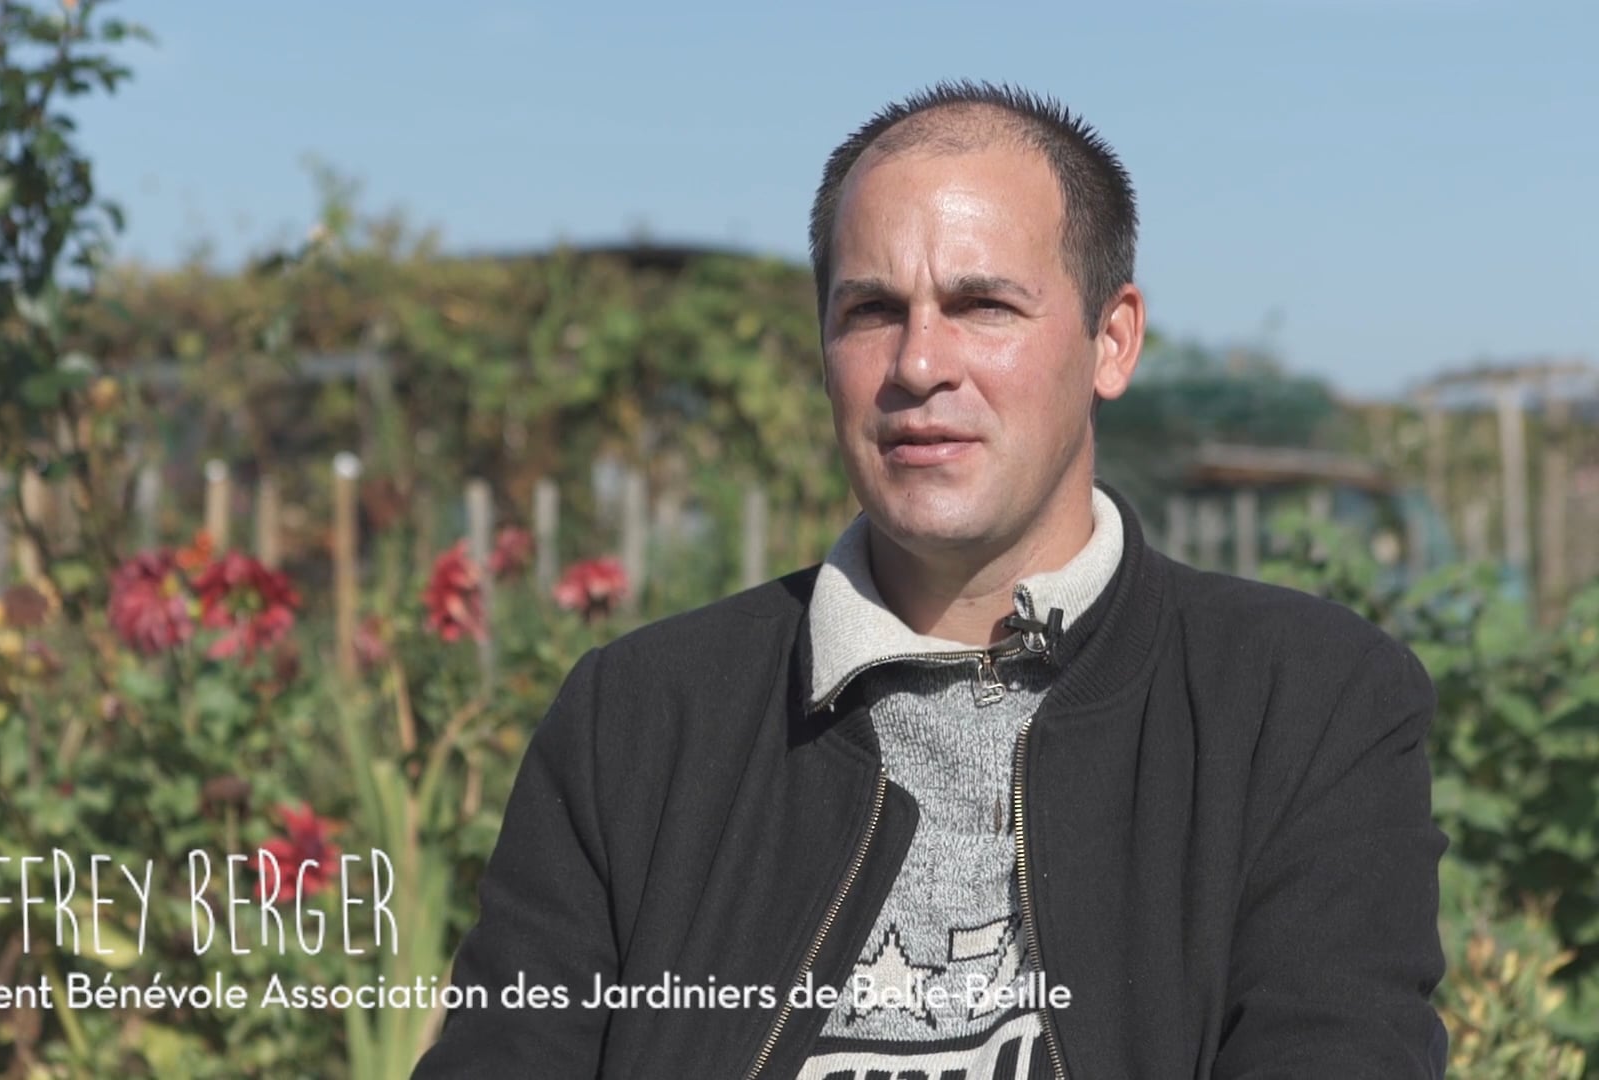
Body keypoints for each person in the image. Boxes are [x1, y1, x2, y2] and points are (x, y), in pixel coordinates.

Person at [412, 80, 1448, 1080]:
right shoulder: (639, 724)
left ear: (1112, 340)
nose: (918, 364)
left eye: (981, 304)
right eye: (870, 310)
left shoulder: (1301, 706)